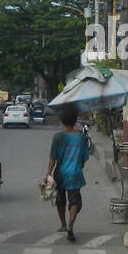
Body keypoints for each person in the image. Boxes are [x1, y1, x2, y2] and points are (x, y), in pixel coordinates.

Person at [45, 103, 90, 241]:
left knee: (60, 201)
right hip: (75, 174)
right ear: (75, 120)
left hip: (60, 174)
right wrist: (78, 167)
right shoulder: (81, 138)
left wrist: (48, 174)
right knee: (75, 201)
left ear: (62, 120)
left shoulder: (57, 137)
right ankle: (71, 224)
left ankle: (63, 225)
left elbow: (52, 158)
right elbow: (83, 159)